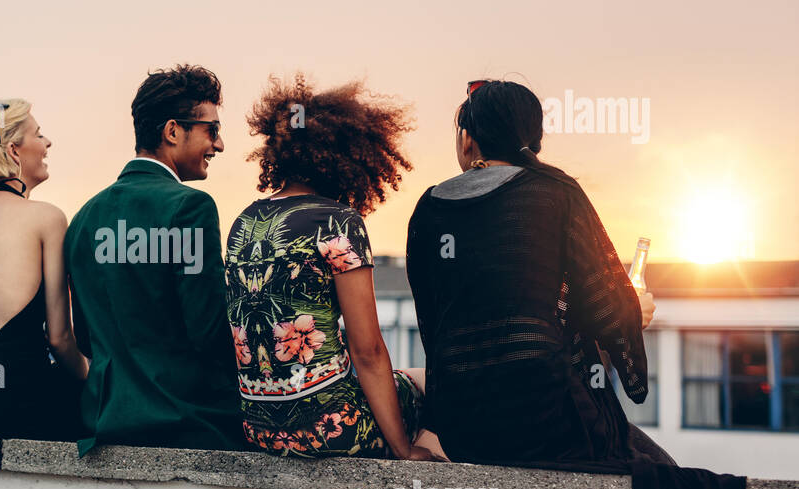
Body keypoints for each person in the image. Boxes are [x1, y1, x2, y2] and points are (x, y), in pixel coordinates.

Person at [405, 79, 673, 465]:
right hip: (548, 420)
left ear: (467, 140)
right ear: (533, 142)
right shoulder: (556, 194)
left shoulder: (428, 208)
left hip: (464, 426)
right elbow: (606, 310)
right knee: (661, 468)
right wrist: (636, 313)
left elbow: (435, 319)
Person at [225, 73, 445, 460]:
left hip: (257, 430)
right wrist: (404, 450)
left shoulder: (243, 222)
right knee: (428, 386)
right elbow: (369, 352)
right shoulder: (337, 221)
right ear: (350, 155)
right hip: (331, 428)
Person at [64, 64, 243, 455]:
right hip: (190, 423)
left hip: (104, 426)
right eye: (212, 130)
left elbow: (85, 339)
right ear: (173, 131)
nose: (219, 144)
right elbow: (209, 331)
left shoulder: (83, 218)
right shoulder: (190, 207)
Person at [0, 99, 87, 440]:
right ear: (13, 151)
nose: (47, 143)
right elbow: (59, 338)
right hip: (17, 396)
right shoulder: (46, 217)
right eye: (38, 134)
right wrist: (88, 375)